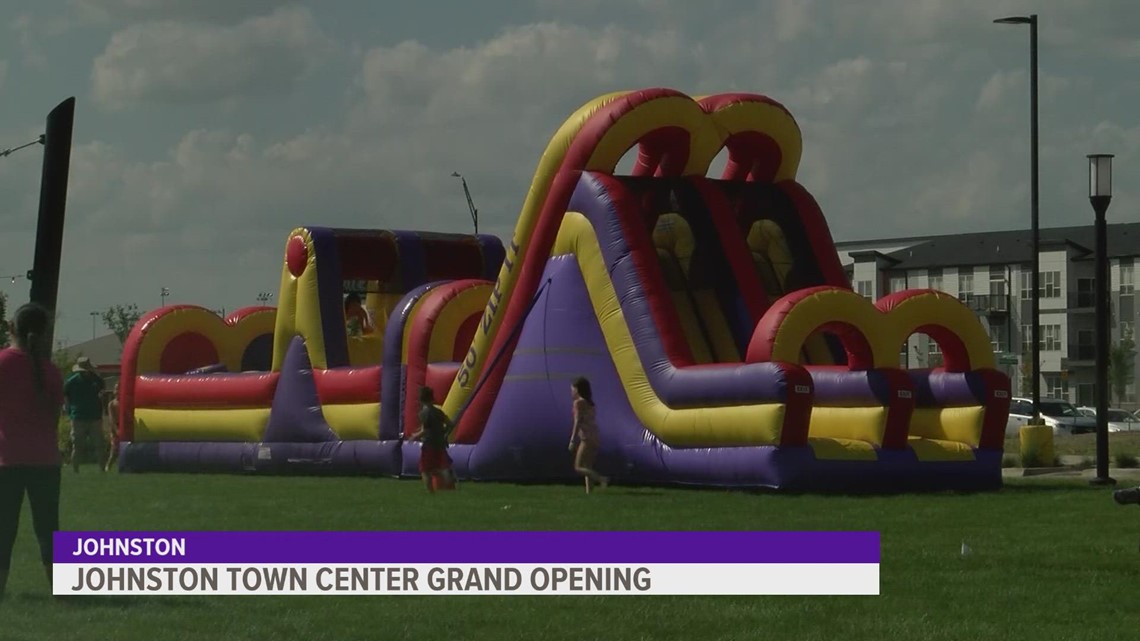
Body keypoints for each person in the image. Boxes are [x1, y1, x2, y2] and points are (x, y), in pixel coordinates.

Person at [0, 303, 66, 598]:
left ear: (11, 328)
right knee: (49, 528)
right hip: (45, 462)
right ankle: (60, 590)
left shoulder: (2, 363)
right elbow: (52, 419)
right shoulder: (51, 372)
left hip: (7, 460)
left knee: (3, 530)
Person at [406, 386, 457, 493]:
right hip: (440, 443)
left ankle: (430, 491)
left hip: (429, 444)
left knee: (425, 469)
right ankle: (451, 488)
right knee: (443, 466)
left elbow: (425, 430)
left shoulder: (424, 413)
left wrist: (414, 436)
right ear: (432, 398)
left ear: (420, 400)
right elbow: (450, 424)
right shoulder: (438, 412)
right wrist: (445, 432)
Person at [63, 356, 106, 472]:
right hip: (78, 417)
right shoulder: (72, 381)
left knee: (99, 445)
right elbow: (65, 396)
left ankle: (102, 469)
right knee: (77, 446)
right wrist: (68, 410)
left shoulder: (95, 379)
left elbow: (102, 390)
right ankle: (75, 470)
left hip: (94, 416)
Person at [568, 377, 608, 494]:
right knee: (587, 466)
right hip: (595, 435)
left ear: (578, 390)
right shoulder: (590, 403)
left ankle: (601, 479)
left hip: (586, 437)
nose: (571, 392)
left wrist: (572, 439)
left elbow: (577, 421)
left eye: (573, 389)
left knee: (578, 466)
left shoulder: (578, 403)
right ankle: (588, 491)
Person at [104, 382, 120, 472]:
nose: (117, 391)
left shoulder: (125, 402)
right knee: (114, 450)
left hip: (124, 426)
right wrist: (116, 430)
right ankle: (108, 466)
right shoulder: (112, 404)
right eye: (116, 389)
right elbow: (112, 419)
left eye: (119, 389)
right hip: (115, 428)